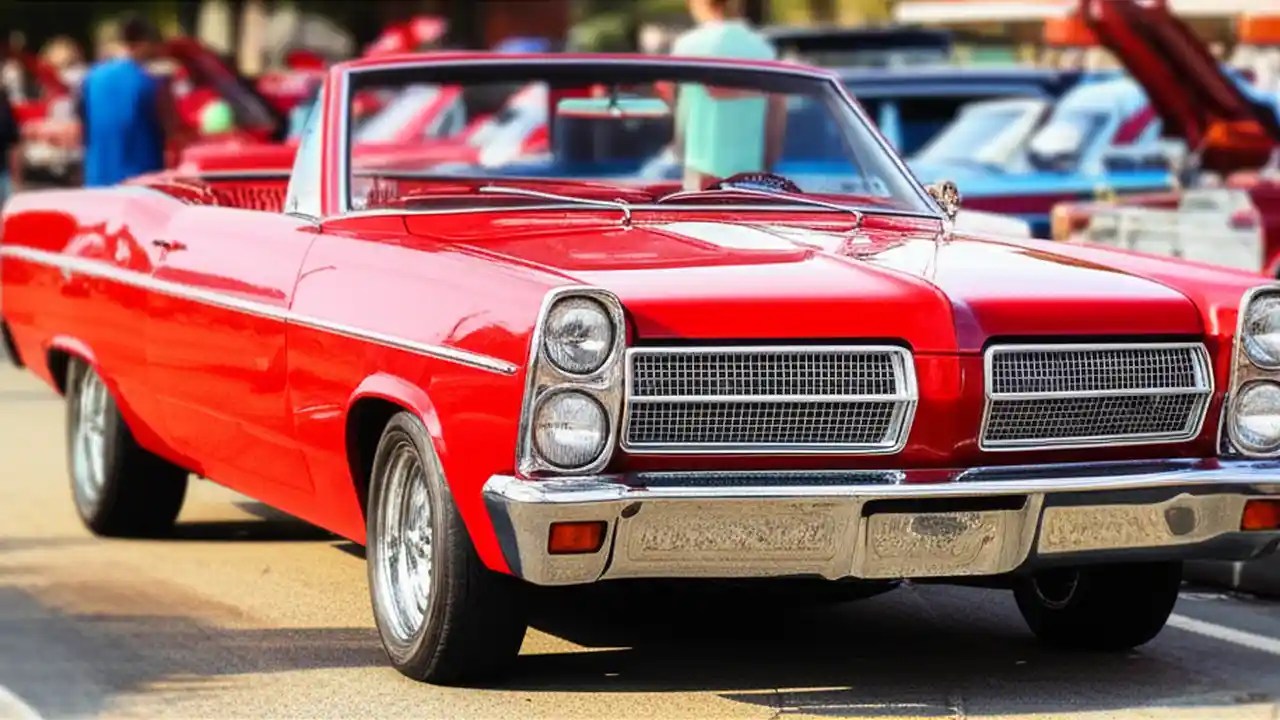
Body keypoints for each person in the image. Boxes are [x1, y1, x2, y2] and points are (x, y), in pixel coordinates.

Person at [668, 0, 785, 189]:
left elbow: (677, 106)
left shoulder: (688, 46)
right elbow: (776, 113)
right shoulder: (762, 49)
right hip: (750, 177)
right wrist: (769, 162)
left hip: (699, 173)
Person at [79, 15, 185, 187]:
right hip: (140, 181)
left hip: (97, 179)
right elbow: (171, 128)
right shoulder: (149, 82)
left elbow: (84, 124)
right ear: (144, 43)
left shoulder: (92, 78)